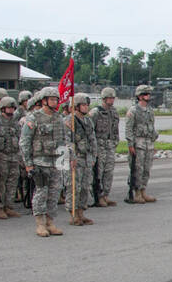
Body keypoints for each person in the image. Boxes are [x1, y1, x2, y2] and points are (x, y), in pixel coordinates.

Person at [20, 87, 67, 237]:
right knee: (41, 192)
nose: (55, 102)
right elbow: (24, 142)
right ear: (44, 101)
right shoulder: (34, 118)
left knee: (54, 193)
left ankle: (50, 222)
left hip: (56, 161)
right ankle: (40, 223)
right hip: (40, 162)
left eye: (56, 100)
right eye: (52, 99)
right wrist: (28, 164)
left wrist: (66, 160)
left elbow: (63, 140)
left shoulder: (58, 118)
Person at [0, 96, 23, 219]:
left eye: (13, 108)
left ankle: (9, 206)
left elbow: (20, 139)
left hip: (13, 157)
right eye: (9, 107)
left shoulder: (15, 123)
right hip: (0, 157)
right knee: (0, 183)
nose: (11, 110)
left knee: (12, 182)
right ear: (2, 108)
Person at [124, 85, 159, 202]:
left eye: (148, 94)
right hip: (138, 143)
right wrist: (130, 144)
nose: (148, 96)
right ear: (139, 96)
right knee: (137, 169)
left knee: (147, 169)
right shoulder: (133, 111)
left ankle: (143, 190)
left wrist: (154, 140)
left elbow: (152, 127)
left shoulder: (150, 111)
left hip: (148, 143)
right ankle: (137, 192)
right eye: (145, 94)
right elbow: (128, 129)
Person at [70, 93, 97, 225]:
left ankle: (81, 212)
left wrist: (93, 155)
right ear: (76, 106)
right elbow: (67, 142)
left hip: (86, 158)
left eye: (87, 105)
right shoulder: (70, 121)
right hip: (76, 158)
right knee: (75, 187)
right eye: (84, 105)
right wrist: (71, 158)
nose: (86, 107)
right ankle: (74, 214)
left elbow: (92, 139)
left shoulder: (88, 121)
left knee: (86, 187)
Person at [92, 87, 120, 207]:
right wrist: (93, 148)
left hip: (110, 145)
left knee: (109, 172)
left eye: (113, 98)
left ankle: (106, 195)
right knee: (99, 172)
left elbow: (116, 129)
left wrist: (115, 142)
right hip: (99, 146)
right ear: (104, 98)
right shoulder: (95, 112)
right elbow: (90, 131)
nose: (111, 100)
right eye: (109, 98)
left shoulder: (114, 112)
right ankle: (98, 196)